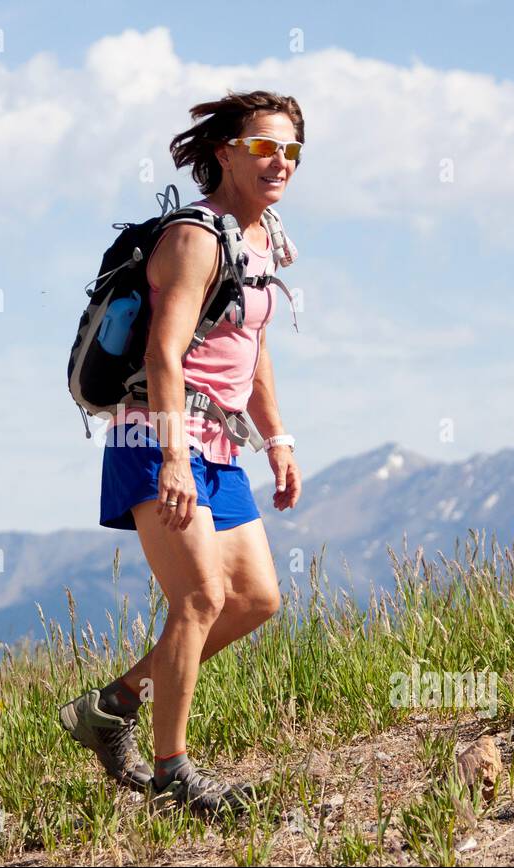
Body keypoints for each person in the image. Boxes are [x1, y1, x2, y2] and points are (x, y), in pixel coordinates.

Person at [59, 90, 304, 817]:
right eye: (264, 147)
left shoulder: (264, 240)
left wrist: (278, 439)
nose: (280, 163)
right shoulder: (197, 239)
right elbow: (166, 354)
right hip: (155, 433)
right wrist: (171, 457)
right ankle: (174, 774)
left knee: (256, 599)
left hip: (222, 442)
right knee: (198, 597)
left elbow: (250, 351)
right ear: (226, 152)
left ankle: (114, 704)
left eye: (290, 151)